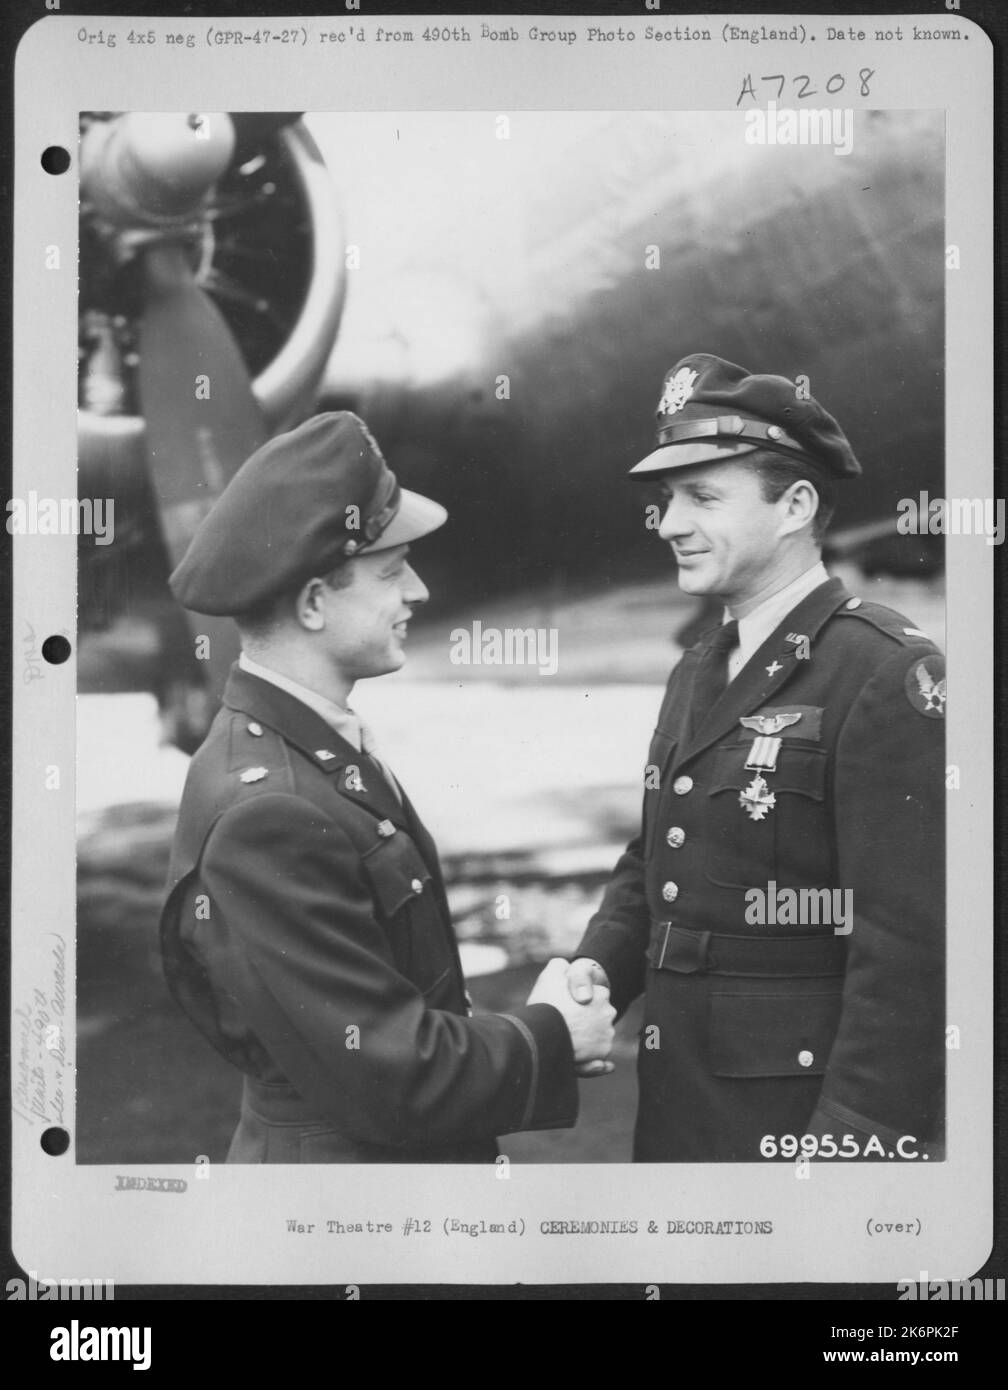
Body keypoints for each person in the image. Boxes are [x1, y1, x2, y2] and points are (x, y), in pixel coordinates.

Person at [159, 411, 614, 1163]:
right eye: (392, 571)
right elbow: (390, 1077)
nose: (420, 591)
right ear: (313, 603)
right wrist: (552, 1037)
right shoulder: (270, 811)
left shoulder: (315, 748)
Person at [568, 354, 945, 1162]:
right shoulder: (700, 665)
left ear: (795, 506)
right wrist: (592, 972)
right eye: (668, 499)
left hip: (800, 1137)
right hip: (679, 1119)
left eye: (703, 497)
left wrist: (850, 1150)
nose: (669, 523)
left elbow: (911, 953)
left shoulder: (882, 673)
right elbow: (657, 856)